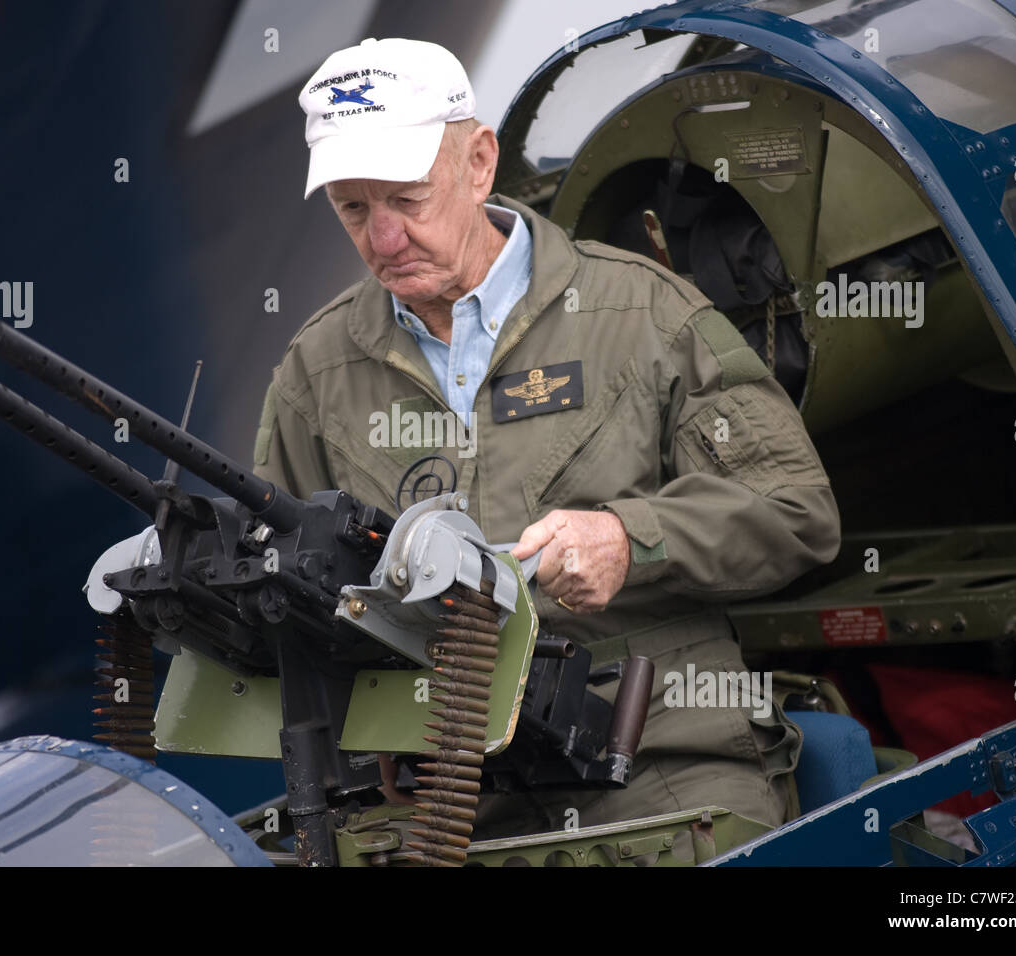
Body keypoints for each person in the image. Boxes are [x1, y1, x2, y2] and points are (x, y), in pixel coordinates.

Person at [253, 37, 841, 838]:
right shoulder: (315, 372)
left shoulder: (646, 315)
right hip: (432, 791)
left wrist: (631, 541)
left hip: (654, 761)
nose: (382, 241)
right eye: (354, 210)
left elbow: (796, 511)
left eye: (407, 199)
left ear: (479, 162)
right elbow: (277, 584)